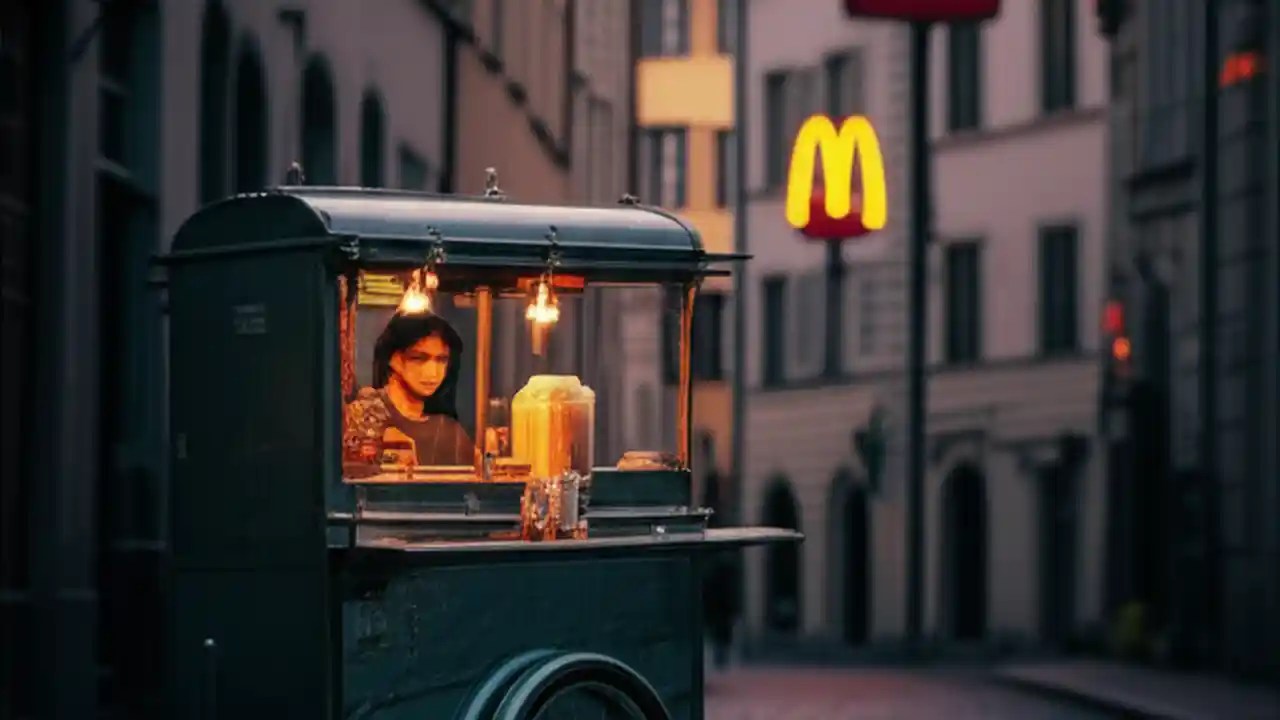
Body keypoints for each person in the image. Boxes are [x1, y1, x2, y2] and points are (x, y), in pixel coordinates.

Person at [344, 313, 475, 468]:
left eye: (441, 360)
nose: (432, 372)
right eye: (419, 358)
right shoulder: (365, 413)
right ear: (394, 359)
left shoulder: (450, 433)